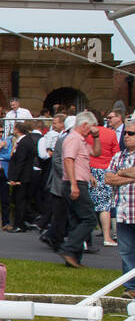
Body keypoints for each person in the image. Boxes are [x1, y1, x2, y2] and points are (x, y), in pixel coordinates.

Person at [58, 111, 100, 268]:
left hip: (76, 182)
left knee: (76, 220)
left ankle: (73, 258)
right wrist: (74, 184)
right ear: (84, 125)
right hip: (75, 183)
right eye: (91, 128)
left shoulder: (80, 140)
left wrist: (95, 137)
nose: (92, 131)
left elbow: (96, 152)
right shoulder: (73, 139)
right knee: (89, 219)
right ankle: (69, 249)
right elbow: (68, 160)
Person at [102, 124, 135, 276]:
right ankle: (130, 288)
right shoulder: (118, 156)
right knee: (126, 251)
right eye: (125, 133)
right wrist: (130, 177)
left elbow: (115, 176)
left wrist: (120, 173)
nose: (126, 136)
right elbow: (108, 178)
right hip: (123, 211)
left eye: (131, 133)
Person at [89, 113, 120, 247]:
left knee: (88, 204)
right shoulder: (111, 134)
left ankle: (86, 238)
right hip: (106, 170)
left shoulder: (87, 134)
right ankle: (107, 237)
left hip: (89, 169)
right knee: (105, 206)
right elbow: (116, 153)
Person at [7, 121, 38, 231]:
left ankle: (19, 224)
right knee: (20, 200)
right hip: (25, 175)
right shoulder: (26, 141)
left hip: (23, 177)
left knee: (20, 201)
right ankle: (23, 223)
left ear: (17, 130)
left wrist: (15, 178)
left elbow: (21, 161)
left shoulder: (24, 143)